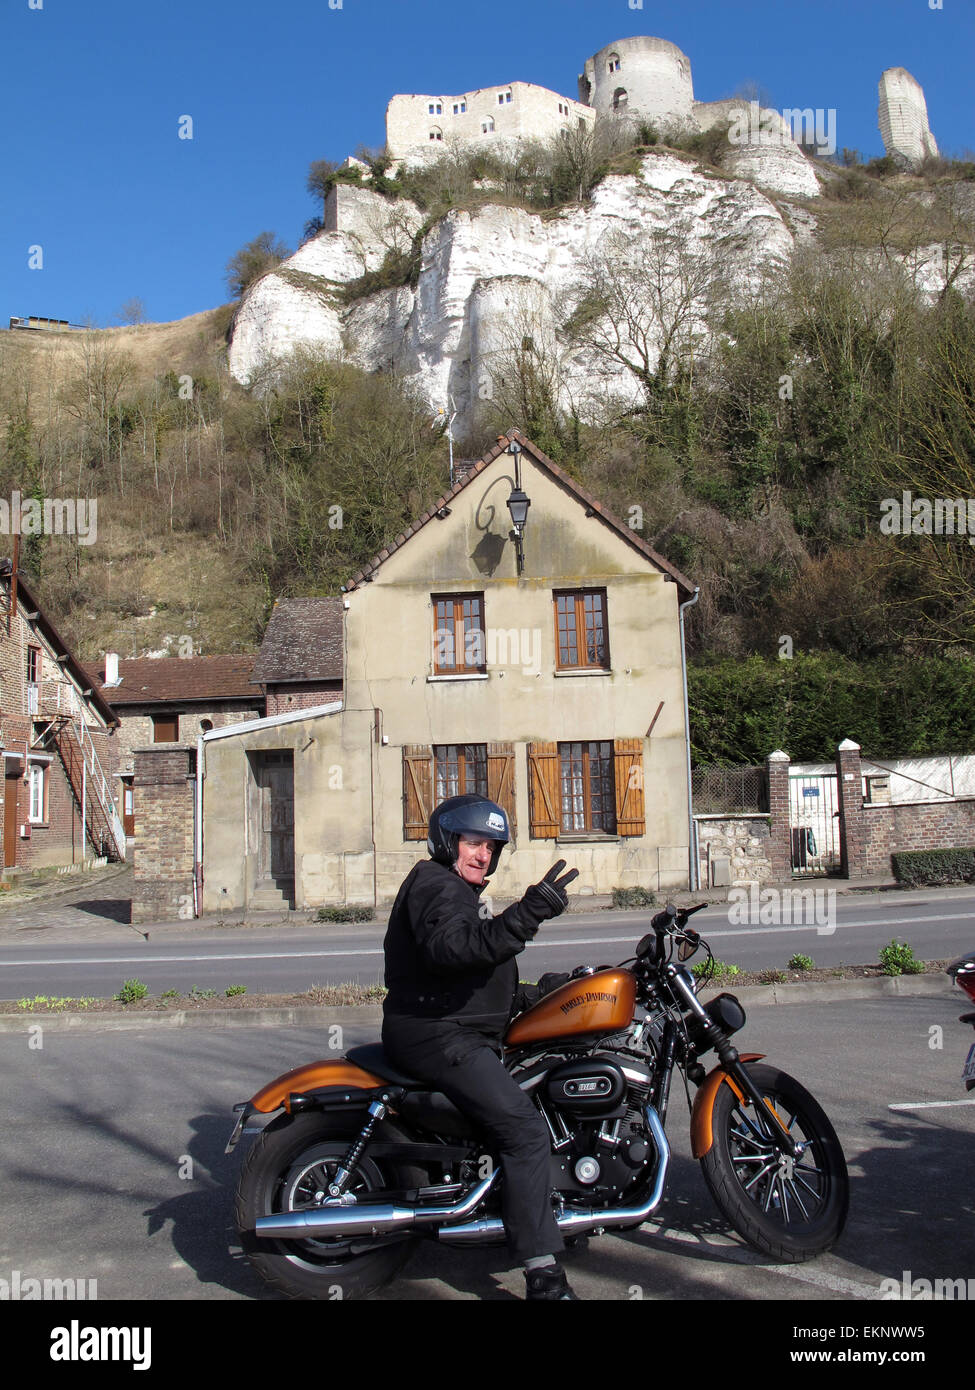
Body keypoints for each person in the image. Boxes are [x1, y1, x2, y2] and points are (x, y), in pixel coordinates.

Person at [382, 793, 580, 1300]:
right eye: (473, 843)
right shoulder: (437, 885)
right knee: (525, 1130)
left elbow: (471, 974)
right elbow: (455, 950)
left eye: (491, 847)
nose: (483, 855)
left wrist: (544, 993)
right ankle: (544, 1276)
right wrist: (528, 913)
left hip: (450, 1023)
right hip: (437, 1032)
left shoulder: (452, 889)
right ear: (448, 842)